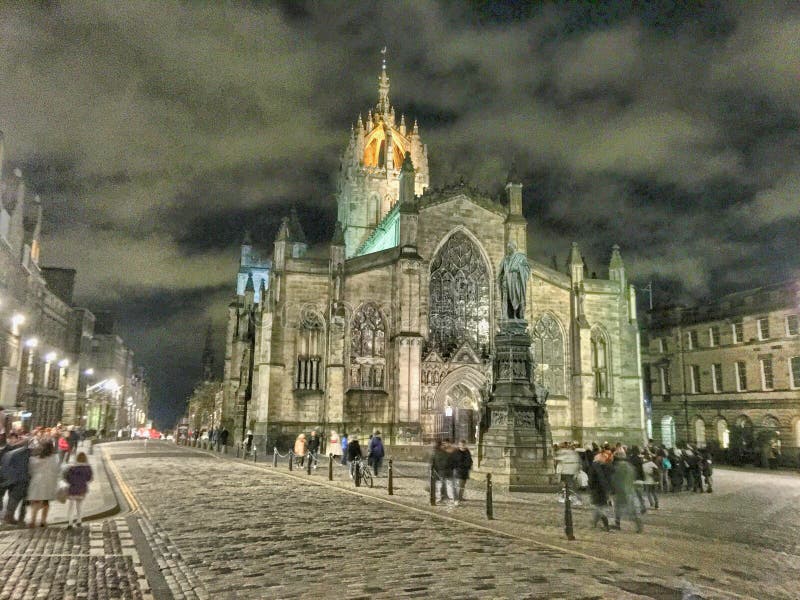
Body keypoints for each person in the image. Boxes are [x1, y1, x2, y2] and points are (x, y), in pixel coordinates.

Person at [27, 440, 60, 528]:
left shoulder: (33, 459)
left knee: (36, 501)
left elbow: (30, 471)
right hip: (49, 481)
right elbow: (57, 470)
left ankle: (33, 520)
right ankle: (43, 521)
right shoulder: (55, 458)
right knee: (46, 502)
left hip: (37, 481)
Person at [610, 449, 643, 533]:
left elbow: (614, 479)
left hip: (620, 490)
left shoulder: (617, 467)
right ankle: (639, 526)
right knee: (632, 510)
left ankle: (618, 524)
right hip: (629, 490)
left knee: (617, 509)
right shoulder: (630, 466)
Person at [2, 434, 31, 525]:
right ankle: (13, 518)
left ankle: (10, 516)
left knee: (13, 498)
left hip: (11, 479)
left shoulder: (10, 453)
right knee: (18, 499)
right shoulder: (27, 453)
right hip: (22, 479)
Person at [65, 451, 93, 529]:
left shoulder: (72, 468)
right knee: (79, 506)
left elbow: (67, 478)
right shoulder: (88, 468)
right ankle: (79, 521)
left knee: (71, 507)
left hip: (72, 489)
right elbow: (89, 479)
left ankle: (70, 523)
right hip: (82, 489)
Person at [588, 452, 612, 531]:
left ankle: (606, 524)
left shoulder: (595, 467)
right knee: (599, 507)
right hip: (603, 489)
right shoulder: (606, 467)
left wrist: (591, 487)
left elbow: (592, 480)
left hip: (597, 489)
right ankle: (594, 523)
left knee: (599, 508)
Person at [431, 440, 454, 504]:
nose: (443, 446)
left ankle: (442, 497)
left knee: (441, 485)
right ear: (440, 446)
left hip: (441, 471)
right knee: (442, 485)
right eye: (442, 445)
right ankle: (442, 497)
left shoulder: (437, 452)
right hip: (441, 471)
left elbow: (434, 463)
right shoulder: (441, 453)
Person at [452, 440, 473, 504]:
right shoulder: (456, 452)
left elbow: (470, 460)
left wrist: (469, 465)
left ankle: (460, 497)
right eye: (461, 445)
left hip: (465, 471)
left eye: (464, 445)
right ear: (459, 445)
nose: (463, 446)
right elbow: (454, 462)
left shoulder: (467, 451)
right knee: (459, 485)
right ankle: (456, 499)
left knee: (463, 485)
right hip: (458, 472)